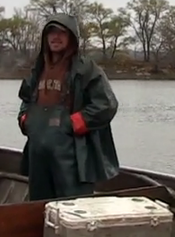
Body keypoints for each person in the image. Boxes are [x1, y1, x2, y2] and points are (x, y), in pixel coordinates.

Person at [17, 13, 120, 201]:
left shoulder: (86, 69)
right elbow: (26, 98)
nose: (55, 37)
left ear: (72, 37)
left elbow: (107, 104)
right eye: (51, 32)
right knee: (39, 205)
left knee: (73, 207)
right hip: (38, 153)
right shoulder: (38, 69)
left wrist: (73, 123)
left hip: (72, 154)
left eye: (61, 33)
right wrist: (25, 119)